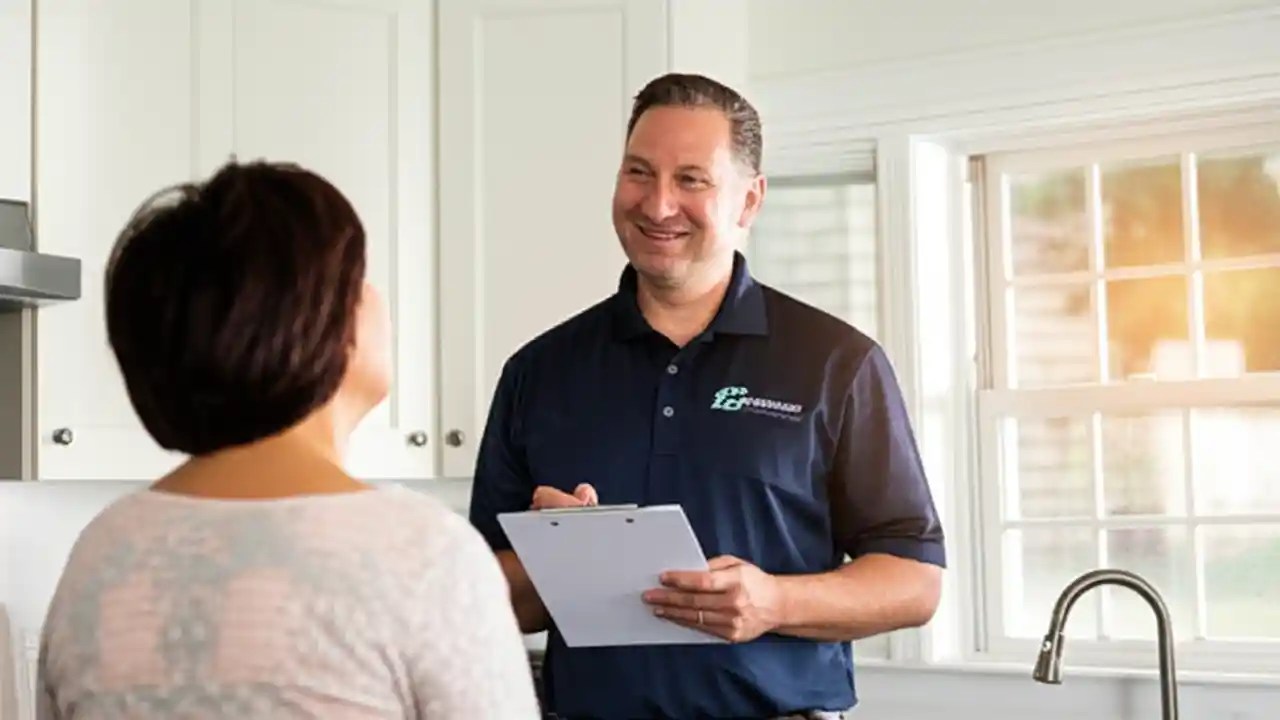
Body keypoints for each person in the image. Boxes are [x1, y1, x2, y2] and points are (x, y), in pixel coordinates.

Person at [468, 72, 946, 719]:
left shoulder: (837, 361)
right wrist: (562, 555)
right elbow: (482, 595)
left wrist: (776, 602)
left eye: (691, 180)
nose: (657, 204)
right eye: (639, 173)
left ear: (749, 200)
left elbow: (915, 583)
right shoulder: (539, 371)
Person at [37, 161, 540, 720]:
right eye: (358, 277)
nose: (376, 296)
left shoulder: (103, 552)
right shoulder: (425, 555)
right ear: (316, 322)